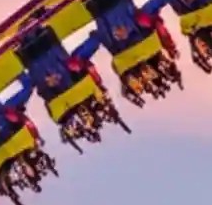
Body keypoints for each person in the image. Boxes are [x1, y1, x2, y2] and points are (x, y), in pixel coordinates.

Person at [12, 20, 130, 150]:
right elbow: (88, 71)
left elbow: (46, 98)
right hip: (60, 66)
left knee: (46, 72)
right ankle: (35, 31)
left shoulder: (64, 114)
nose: (85, 117)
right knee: (61, 64)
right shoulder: (95, 97)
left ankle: (26, 40)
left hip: (48, 74)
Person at [82, 0, 183, 106]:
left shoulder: (129, 60)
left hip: (105, 5)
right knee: (138, 20)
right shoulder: (149, 47)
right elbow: (152, 14)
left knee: (128, 25)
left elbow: (98, 39)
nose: (147, 74)